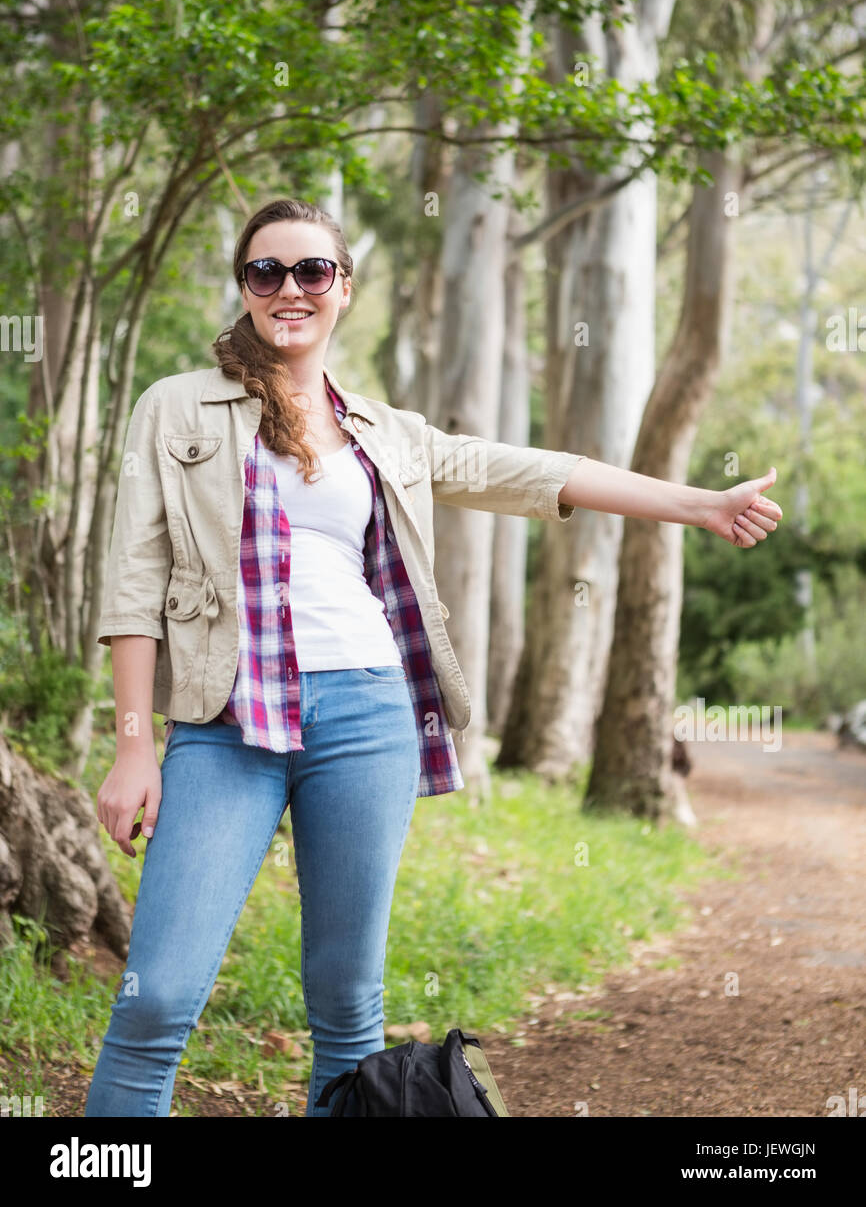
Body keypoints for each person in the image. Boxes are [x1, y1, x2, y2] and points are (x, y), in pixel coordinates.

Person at [85, 197, 783, 1118]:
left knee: (347, 1006)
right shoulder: (177, 407)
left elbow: (531, 471)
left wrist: (696, 503)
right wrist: (135, 745)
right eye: (266, 272)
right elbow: (134, 583)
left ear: (343, 288)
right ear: (245, 288)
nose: (288, 289)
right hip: (225, 721)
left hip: (368, 716)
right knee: (159, 998)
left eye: (311, 271)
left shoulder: (385, 432)